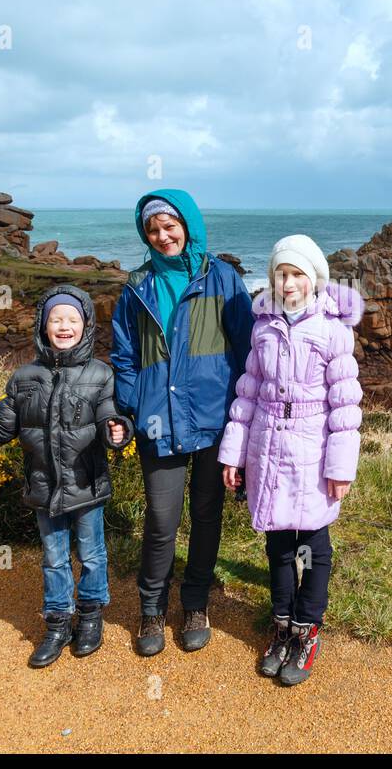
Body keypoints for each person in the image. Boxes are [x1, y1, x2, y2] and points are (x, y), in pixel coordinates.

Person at [0, 283, 134, 668]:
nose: (64, 325)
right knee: (54, 558)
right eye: (56, 318)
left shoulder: (100, 374)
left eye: (72, 318)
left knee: (91, 554)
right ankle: (57, 623)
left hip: (87, 486)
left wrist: (117, 430)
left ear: (86, 325)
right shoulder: (24, 377)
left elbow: (109, 417)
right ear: (43, 327)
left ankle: (90, 617)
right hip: (44, 488)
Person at [110, 190, 253, 655]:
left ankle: (195, 602)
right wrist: (132, 405)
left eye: (169, 225)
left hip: (215, 419)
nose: (162, 236)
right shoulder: (136, 287)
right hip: (158, 423)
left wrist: (247, 416)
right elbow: (124, 356)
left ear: (187, 224)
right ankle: (151, 610)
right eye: (152, 229)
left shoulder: (224, 278)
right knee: (161, 520)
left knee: (207, 515)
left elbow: (249, 349)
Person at [218, 235, 364, 685]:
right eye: (282, 272)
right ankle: (281, 627)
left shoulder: (333, 330)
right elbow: (247, 396)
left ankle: (307, 630)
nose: (289, 281)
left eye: (298, 273)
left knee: (314, 548)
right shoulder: (262, 327)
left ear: (314, 279)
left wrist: (340, 467)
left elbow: (345, 406)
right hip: (267, 449)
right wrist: (234, 456)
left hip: (313, 451)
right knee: (278, 546)